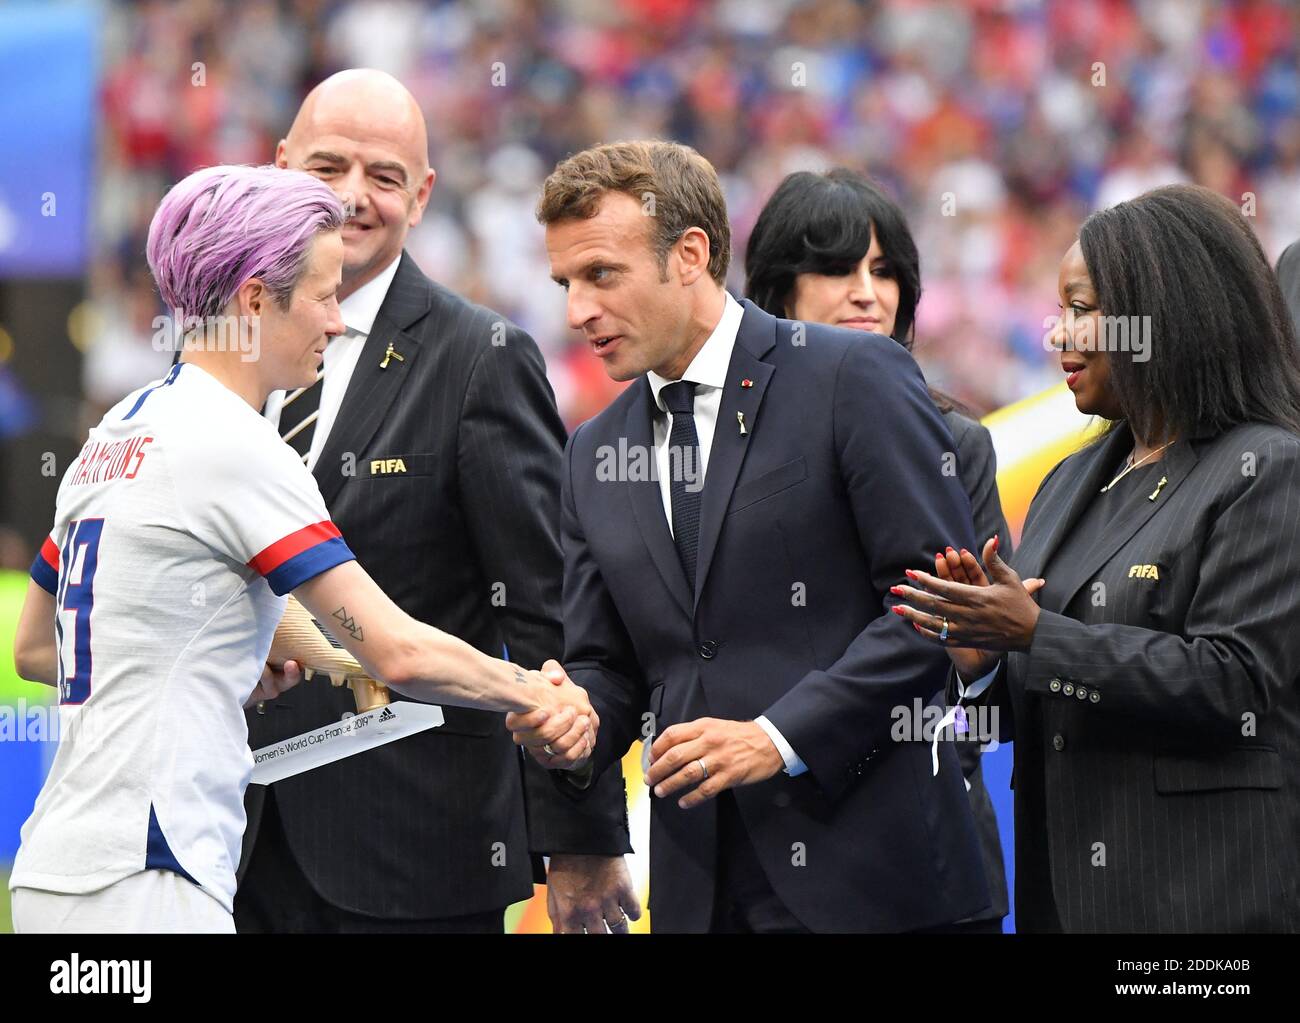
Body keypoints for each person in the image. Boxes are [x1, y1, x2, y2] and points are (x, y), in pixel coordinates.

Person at [8, 164, 594, 933]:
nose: (335, 319)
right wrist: (535, 692)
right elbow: (398, 651)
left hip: (58, 864)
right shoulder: (235, 443)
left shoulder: (118, 428)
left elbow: (34, 645)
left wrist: (211, 663)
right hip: (152, 868)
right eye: (321, 293)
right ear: (255, 299)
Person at [512, 140, 990, 933]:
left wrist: (777, 736)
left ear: (689, 255)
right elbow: (608, 663)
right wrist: (575, 724)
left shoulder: (850, 376)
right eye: (565, 283)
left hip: (880, 883)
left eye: (601, 275)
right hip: (702, 891)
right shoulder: (591, 453)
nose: (576, 311)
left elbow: (936, 610)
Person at [235, 69, 636, 936]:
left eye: (383, 176)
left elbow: (548, 618)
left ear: (421, 196)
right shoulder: (226, 348)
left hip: (412, 856)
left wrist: (579, 838)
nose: (351, 196)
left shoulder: (480, 357)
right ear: (277, 166)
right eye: (327, 166)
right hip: (226, 843)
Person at [894, 183, 1300, 932]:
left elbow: (1234, 684)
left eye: (1083, 310)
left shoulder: (1267, 469)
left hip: (1203, 908)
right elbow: (1056, 695)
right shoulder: (1068, 480)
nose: (1059, 334)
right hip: (1066, 901)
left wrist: (1034, 633)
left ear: (1166, 315)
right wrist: (985, 662)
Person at [744, 168, 1010, 927]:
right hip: (771, 832)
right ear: (776, 292)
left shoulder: (957, 440)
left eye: (885, 270)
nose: (869, 292)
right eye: (836, 268)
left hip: (925, 829)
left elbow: (981, 662)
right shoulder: (722, 447)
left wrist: (976, 636)